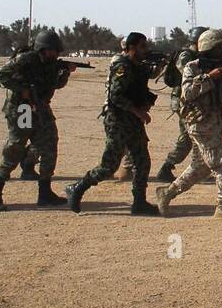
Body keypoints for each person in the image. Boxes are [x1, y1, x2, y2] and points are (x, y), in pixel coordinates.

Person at [65, 32, 163, 215]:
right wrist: (138, 111)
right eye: (142, 46)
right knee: (109, 166)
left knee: (142, 161)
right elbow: (115, 96)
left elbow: (151, 74)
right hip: (118, 121)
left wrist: (164, 63)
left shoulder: (138, 66)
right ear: (132, 47)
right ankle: (77, 188)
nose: (145, 50)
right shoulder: (122, 66)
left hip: (133, 121)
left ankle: (139, 201)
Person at [155, 28, 222, 218]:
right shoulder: (193, 67)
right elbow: (187, 93)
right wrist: (210, 77)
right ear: (209, 47)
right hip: (200, 123)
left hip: (214, 122)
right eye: (219, 47)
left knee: (201, 167)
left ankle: (167, 193)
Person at [0, 30, 77, 211]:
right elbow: (1, 75)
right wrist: (23, 89)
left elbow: (55, 85)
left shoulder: (51, 64)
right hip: (23, 108)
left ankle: (45, 192)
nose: (56, 54)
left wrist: (65, 72)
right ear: (42, 49)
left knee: (49, 144)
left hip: (41, 107)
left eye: (57, 51)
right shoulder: (26, 59)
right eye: (52, 50)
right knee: (16, 147)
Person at [152, 25, 207, 183]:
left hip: (191, 99)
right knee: (191, 136)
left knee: (191, 136)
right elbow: (188, 75)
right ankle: (173, 167)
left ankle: (171, 168)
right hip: (182, 100)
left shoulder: (197, 54)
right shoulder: (185, 55)